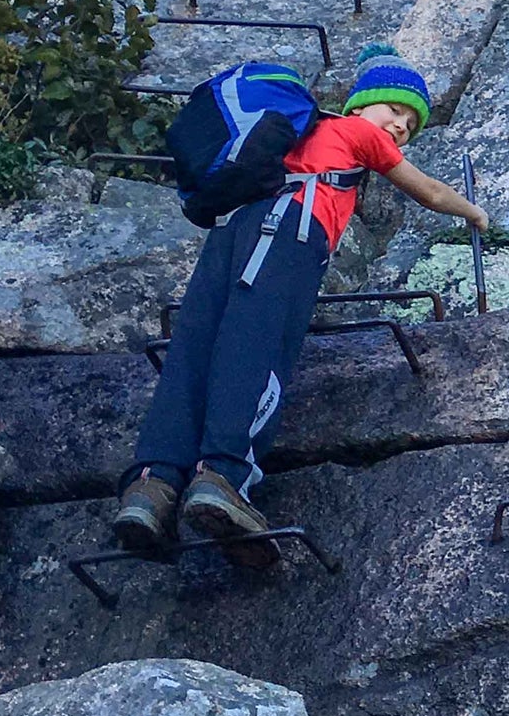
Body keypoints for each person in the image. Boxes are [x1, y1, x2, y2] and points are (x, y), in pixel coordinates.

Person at [112, 42, 489, 562]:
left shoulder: (293, 136)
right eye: (395, 110)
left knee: (192, 358)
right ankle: (223, 478)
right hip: (286, 235)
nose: (401, 126)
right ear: (361, 105)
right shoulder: (357, 133)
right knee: (255, 347)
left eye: (411, 123)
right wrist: (475, 214)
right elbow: (428, 192)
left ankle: (150, 489)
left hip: (232, 232)